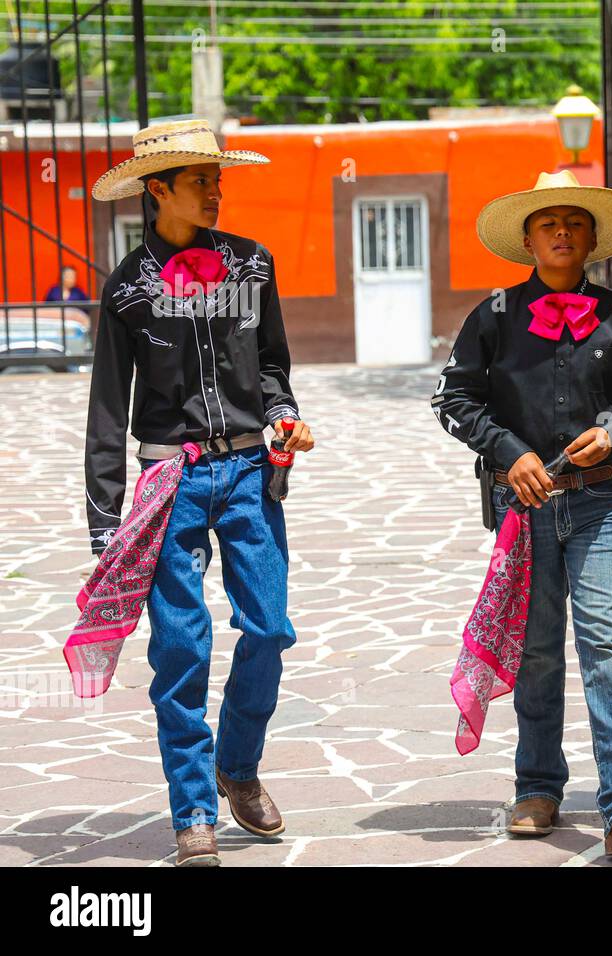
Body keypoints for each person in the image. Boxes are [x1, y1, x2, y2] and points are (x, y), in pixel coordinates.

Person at [86, 119, 315, 866]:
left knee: (271, 627)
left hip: (251, 472)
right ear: (159, 190)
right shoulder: (126, 288)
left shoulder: (253, 265)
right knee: (182, 649)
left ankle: (237, 767)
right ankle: (193, 812)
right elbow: (106, 410)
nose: (216, 192)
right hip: (168, 482)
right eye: (200, 182)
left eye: (219, 179)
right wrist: (104, 525)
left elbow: (274, 365)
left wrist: (284, 415)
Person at [431, 170, 612, 857]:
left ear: (592, 237)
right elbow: (453, 402)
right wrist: (508, 453)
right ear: (529, 240)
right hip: (524, 508)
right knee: (536, 655)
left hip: (600, 504)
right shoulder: (494, 318)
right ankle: (536, 787)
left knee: (606, 645)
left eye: (574, 221)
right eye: (548, 223)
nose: (562, 232)